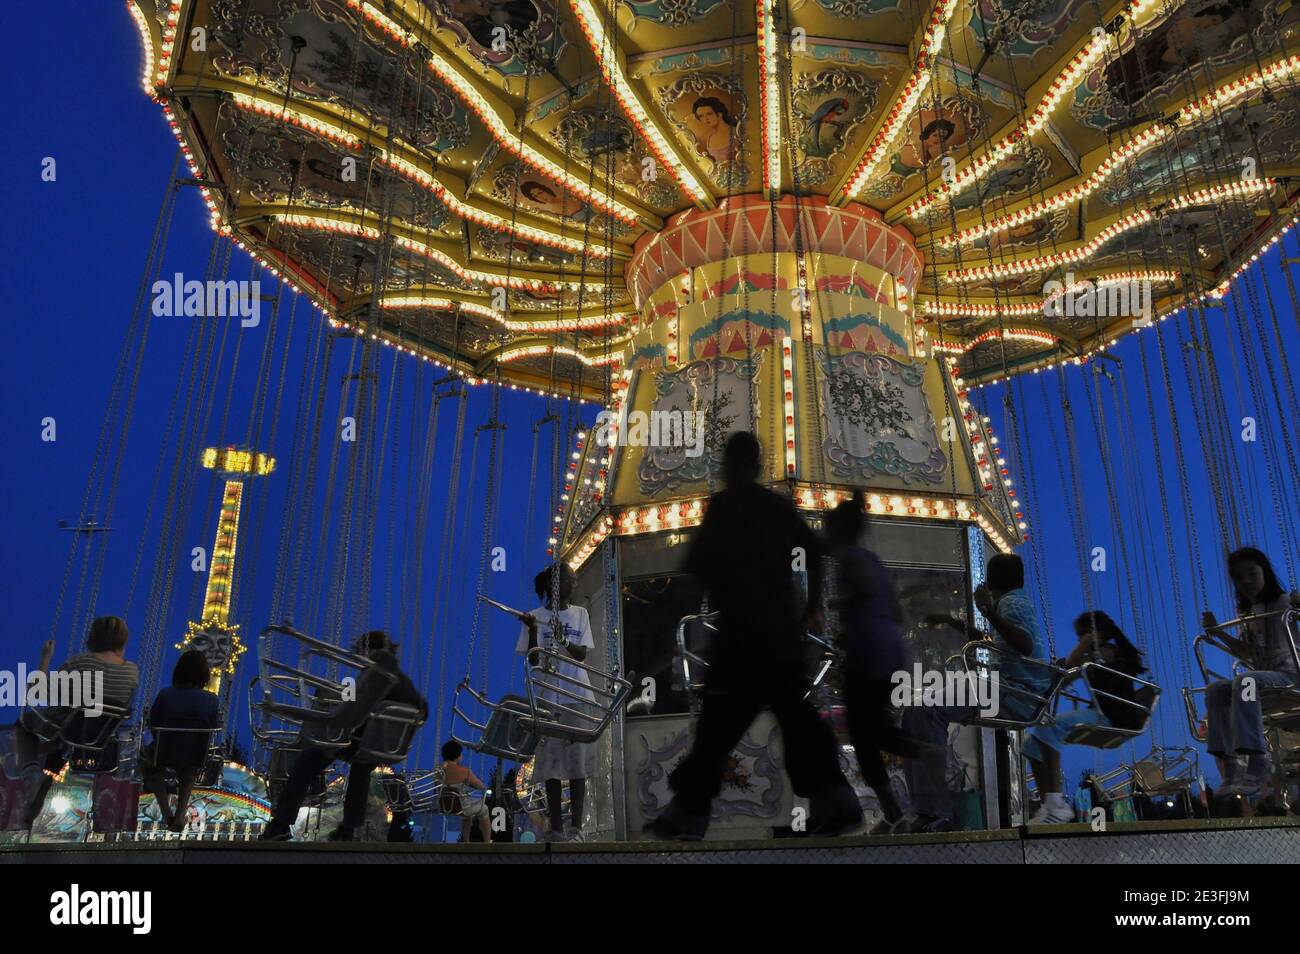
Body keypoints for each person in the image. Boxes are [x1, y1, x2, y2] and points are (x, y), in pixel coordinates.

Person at [645, 431, 862, 839]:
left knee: (718, 724)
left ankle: (689, 811)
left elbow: (699, 570)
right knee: (797, 717)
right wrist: (812, 605)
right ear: (758, 464)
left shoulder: (724, 506)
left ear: (728, 464)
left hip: (740, 635)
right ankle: (835, 797)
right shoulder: (776, 506)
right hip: (779, 633)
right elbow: (814, 551)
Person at [902, 553, 1051, 832]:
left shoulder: (1010, 603)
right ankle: (932, 806)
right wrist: (951, 621)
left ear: (992, 581)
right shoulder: (1017, 602)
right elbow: (995, 641)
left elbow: (1024, 644)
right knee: (923, 710)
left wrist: (987, 610)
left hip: (1008, 692)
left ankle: (934, 809)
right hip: (1010, 690)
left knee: (921, 710)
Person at [260, 630, 426, 842]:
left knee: (307, 760)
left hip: (357, 739)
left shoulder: (378, 672)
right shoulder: (404, 682)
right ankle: (349, 829)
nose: (359, 658)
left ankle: (280, 823)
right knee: (361, 769)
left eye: (360, 653)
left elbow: (354, 709)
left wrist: (331, 707)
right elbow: (420, 709)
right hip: (379, 743)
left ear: (369, 651)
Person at [823, 489, 921, 834]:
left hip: (868, 654)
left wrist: (834, 607)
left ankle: (895, 806)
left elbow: (862, 592)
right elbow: (894, 609)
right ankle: (921, 756)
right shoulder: (872, 558)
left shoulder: (849, 558)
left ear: (837, 531)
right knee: (874, 729)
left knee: (864, 736)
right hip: (890, 652)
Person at [14, 616, 139, 829]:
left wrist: (45, 657)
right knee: (60, 741)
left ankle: (30, 775)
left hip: (69, 729)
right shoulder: (131, 671)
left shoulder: (80, 662)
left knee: (24, 724)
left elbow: (37, 691)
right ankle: (32, 804)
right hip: (99, 735)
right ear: (122, 641)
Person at [1022, 611, 1145, 824]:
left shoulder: (1109, 652)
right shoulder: (1093, 659)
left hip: (1112, 718)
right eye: (1079, 637)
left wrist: (1083, 648)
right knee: (1031, 746)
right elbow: (1067, 677)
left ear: (1098, 633)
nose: (1079, 640)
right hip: (1100, 712)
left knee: (1051, 726)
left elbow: (1073, 666)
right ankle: (1049, 806)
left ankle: (1056, 806)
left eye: (1082, 635)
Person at [1201, 547, 1300, 798]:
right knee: (1215, 689)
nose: (1246, 581)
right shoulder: (1246, 613)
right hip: (1266, 676)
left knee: (1245, 681)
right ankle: (1231, 762)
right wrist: (1218, 632)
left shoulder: (1285, 601)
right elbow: (1245, 651)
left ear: (1264, 572)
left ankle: (1258, 758)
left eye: (1251, 574)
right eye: (1239, 577)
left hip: (1291, 674)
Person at [516, 564, 596, 842]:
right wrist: (535, 631)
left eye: (574, 580)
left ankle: (577, 828)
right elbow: (534, 659)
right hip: (548, 696)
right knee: (550, 763)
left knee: (577, 763)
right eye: (570, 580)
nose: (575, 584)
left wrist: (562, 638)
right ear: (555, 585)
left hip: (577, 695)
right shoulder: (535, 617)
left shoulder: (580, 614)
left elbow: (582, 655)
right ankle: (557, 829)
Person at [138, 650, 221, 832]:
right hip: (194, 754)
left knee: (150, 766)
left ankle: (167, 812)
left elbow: (154, 723)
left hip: (165, 751)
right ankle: (180, 813)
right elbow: (214, 726)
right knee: (189, 772)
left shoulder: (165, 695)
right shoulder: (211, 700)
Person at [440, 740, 491, 842]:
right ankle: (487, 841)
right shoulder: (463, 771)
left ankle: (466, 841)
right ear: (458, 755)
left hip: (443, 805)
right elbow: (480, 786)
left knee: (466, 814)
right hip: (462, 807)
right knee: (484, 809)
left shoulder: (438, 770)